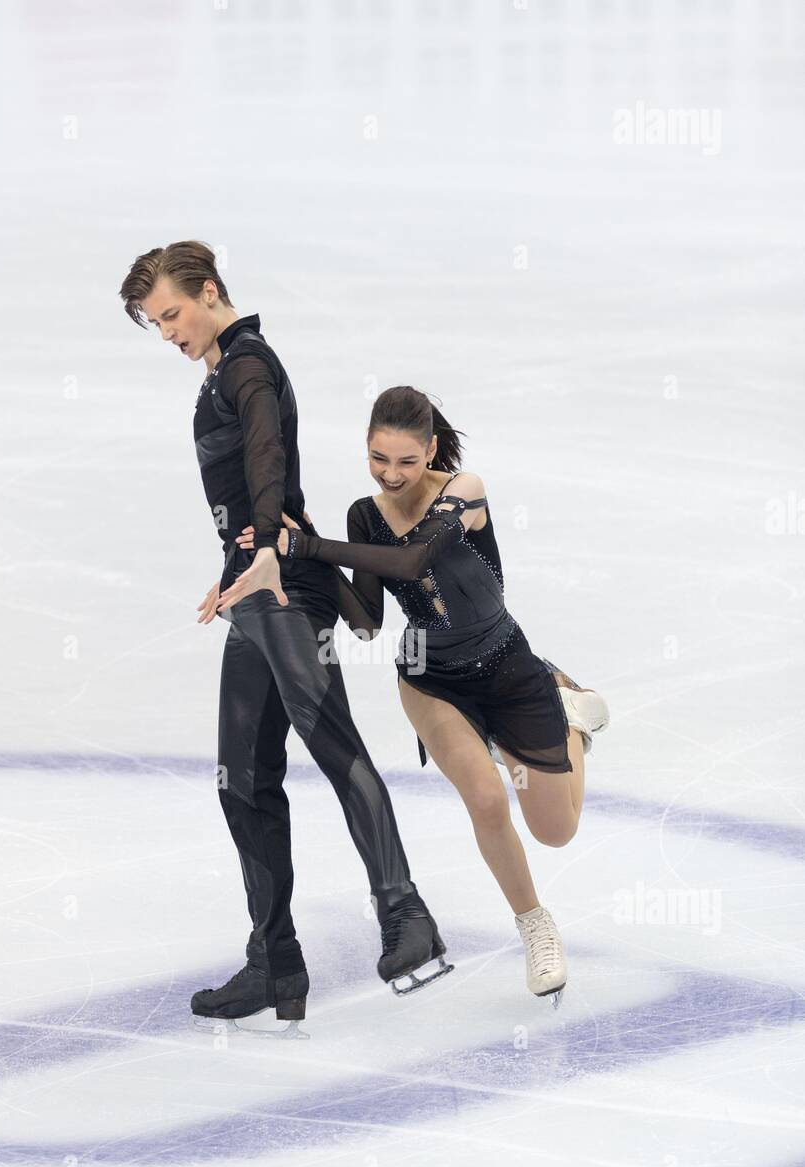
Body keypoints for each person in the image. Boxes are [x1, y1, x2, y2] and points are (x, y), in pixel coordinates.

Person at [118, 245, 453, 1033]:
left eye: (172, 313)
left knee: (332, 744)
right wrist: (242, 558)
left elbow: (268, 454)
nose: (167, 332)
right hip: (253, 595)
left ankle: (406, 917)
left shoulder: (248, 367)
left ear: (208, 292)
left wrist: (266, 543)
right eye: (155, 323)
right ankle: (276, 961)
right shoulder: (225, 367)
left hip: (283, 592)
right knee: (244, 779)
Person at [225, 385, 610, 1008]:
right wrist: (315, 562)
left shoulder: (466, 491)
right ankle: (535, 925)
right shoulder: (364, 515)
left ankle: (566, 711)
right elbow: (369, 621)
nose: (392, 474)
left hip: (508, 667)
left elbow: (413, 561)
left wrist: (306, 546)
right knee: (487, 799)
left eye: (406, 460)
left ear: (431, 450)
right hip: (430, 672)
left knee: (556, 831)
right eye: (378, 458)